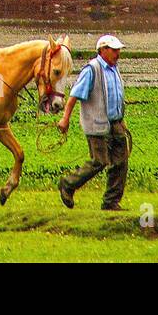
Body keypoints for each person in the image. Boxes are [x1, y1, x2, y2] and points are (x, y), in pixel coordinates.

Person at [57, 34, 130, 210]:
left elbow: (117, 97)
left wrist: (121, 120)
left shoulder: (114, 69)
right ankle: (68, 184)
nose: (117, 53)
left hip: (116, 123)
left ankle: (111, 202)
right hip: (96, 124)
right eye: (114, 50)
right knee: (99, 161)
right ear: (103, 50)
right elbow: (74, 95)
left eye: (118, 50)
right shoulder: (92, 69)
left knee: (121, 161)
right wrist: (65, 118)